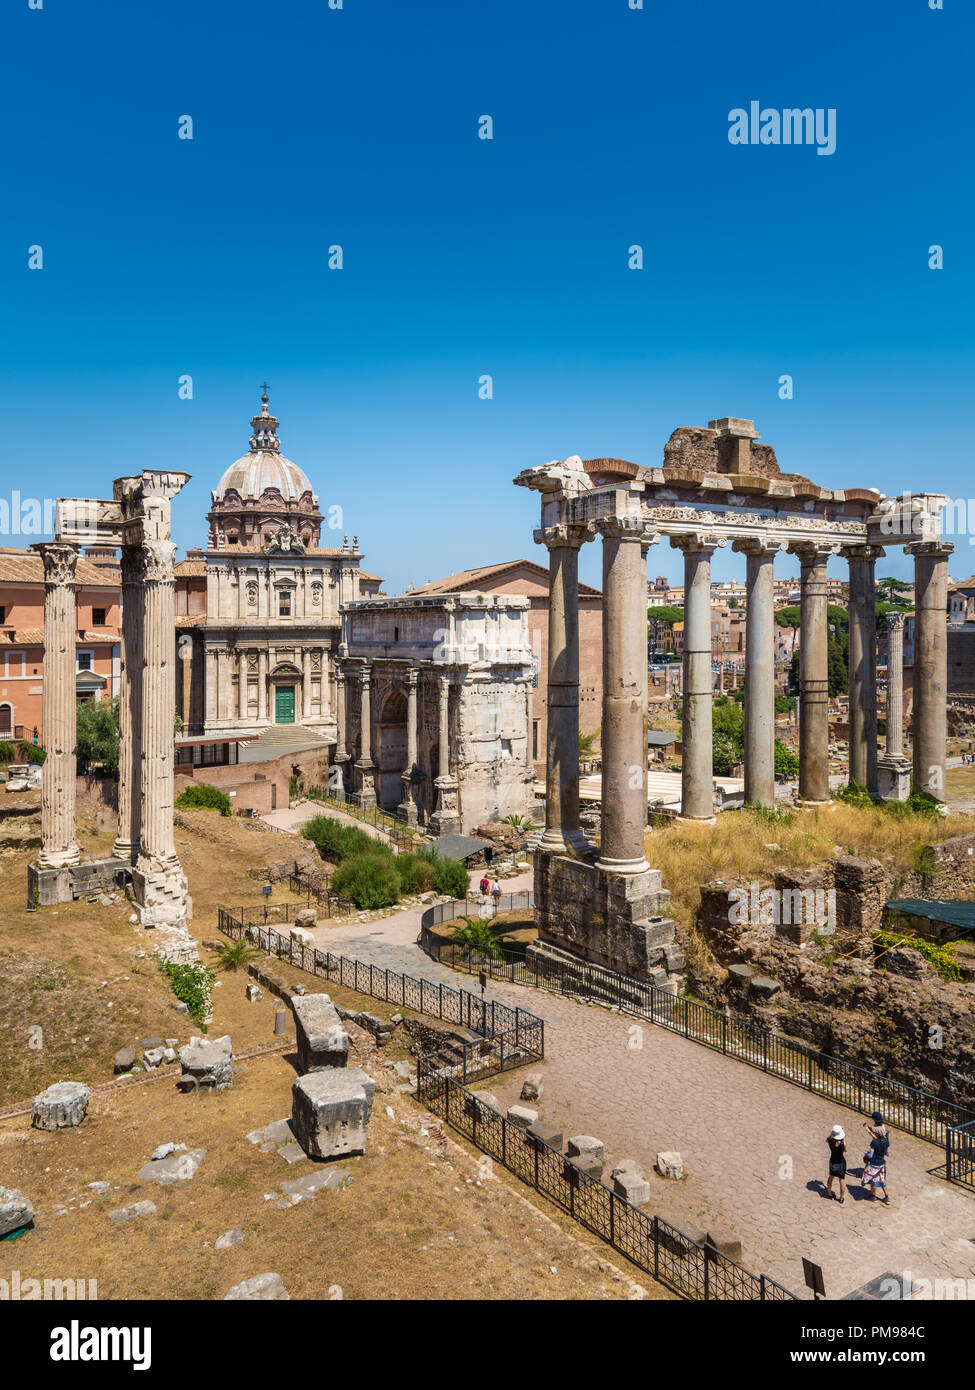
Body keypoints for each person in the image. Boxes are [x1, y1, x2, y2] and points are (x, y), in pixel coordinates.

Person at [862, 1112, 891, 1203]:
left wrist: (866, 1154)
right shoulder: (886, 1142)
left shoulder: (874, 1143)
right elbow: (888, 1153)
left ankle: (873, 1196)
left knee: (873, 1180)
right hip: (882, 1163)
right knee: (882, 1180)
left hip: (874, 1163)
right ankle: (887, 1197)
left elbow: (870, 1155)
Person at [826, 1124, 847, 1203]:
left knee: (831, 1177)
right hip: (841, 1162)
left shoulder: (830, 1141)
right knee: (842, 1180)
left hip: (833, 1161)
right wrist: (844, 1141)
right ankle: (841, 1198)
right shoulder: (842, 1145)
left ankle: (829, 1193)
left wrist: (833, 1134)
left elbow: (829, 1138)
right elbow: (845, 1150)